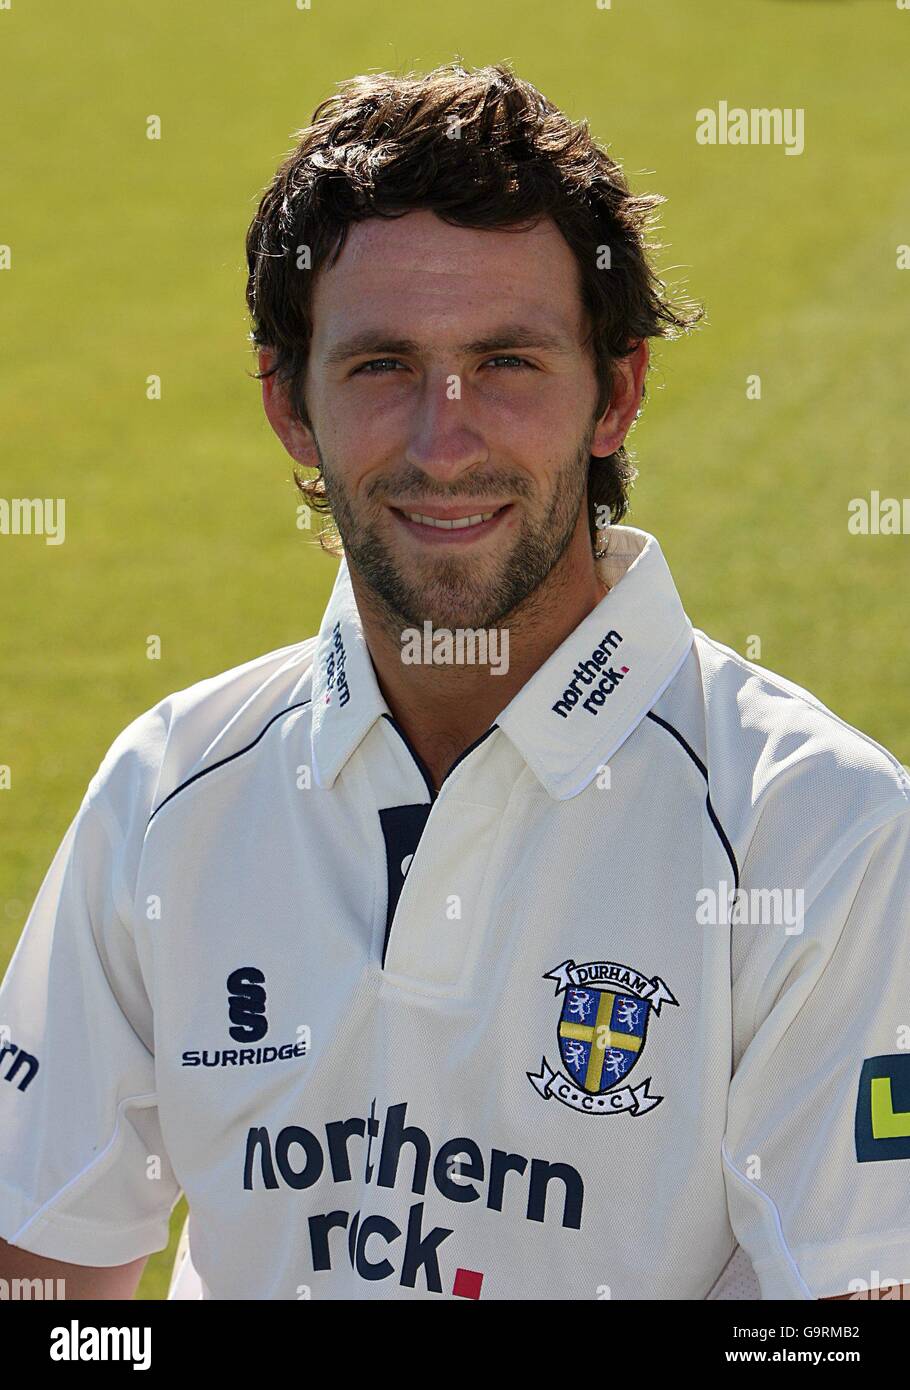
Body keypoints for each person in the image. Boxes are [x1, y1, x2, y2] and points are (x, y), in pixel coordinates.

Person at [1, 61, 908, 1301]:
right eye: (379, 366)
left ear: (617, 393)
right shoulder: (168, 788)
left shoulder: (820, 831)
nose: (444, 440)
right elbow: (47, 1285)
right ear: (288, 402)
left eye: (507, 363)